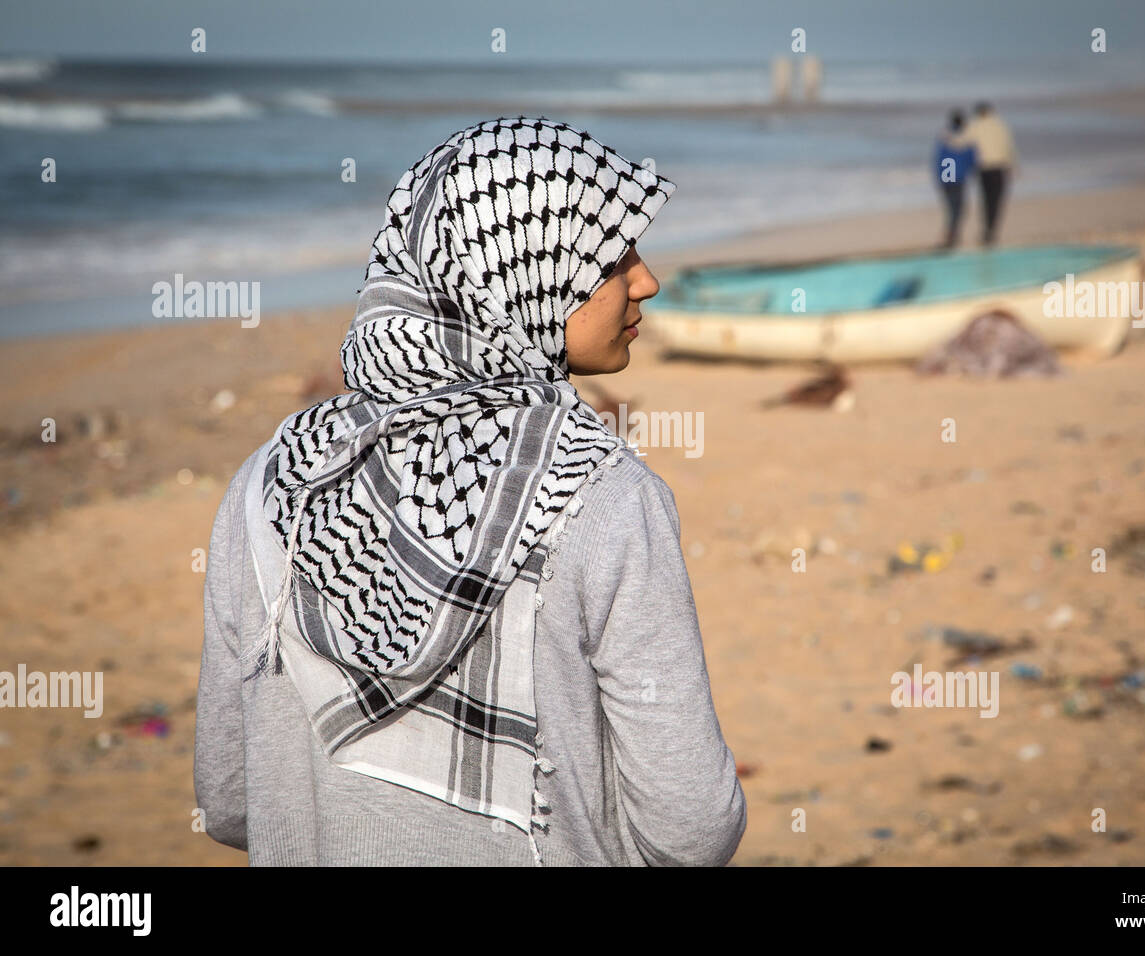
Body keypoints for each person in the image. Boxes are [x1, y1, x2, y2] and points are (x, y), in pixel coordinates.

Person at [194, 116, 748, 867]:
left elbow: (230, 797)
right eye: (615, 256)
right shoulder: (602, 495)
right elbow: (690, 827)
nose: (646, 279)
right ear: (520, 270)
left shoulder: (273, 482)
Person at [966, 101, 1018, 245]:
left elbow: (965, 144)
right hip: (999, 167)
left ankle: (987, 230)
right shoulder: (1000, 125)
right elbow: (1008, 146)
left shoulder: (975, 125)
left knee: (986, 200)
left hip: (983, 168)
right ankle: (991, 230)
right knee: (997, 200)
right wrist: (1013, 165)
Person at [933, 109, 976, 249]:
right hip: (958, 177)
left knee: (951, 208)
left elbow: (939, 159)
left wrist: (939, 177)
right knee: (958, 209)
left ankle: (951, 235)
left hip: (947, 176)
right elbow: (971, 160)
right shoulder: (966, 139)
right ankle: (952, 235)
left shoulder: (944, 138)